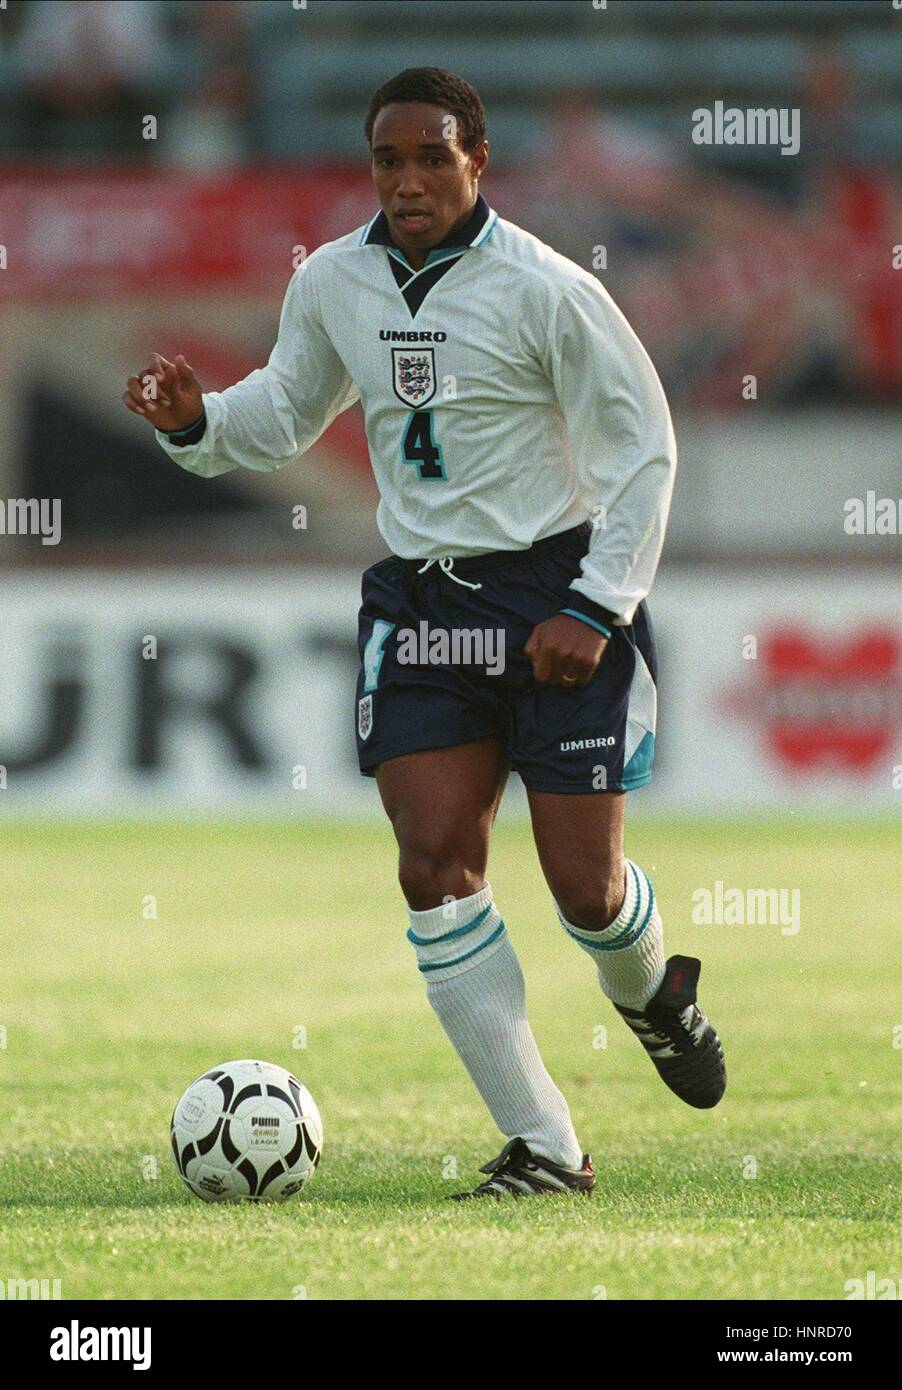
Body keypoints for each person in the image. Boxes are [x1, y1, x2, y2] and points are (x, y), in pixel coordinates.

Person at [122, 67, 725, 1201]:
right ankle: (546, 1144)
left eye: (429, 157)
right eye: (386, 160)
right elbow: (285, 407)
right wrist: (197, 419)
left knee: (584, 892)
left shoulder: (547, 288)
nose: (405, 180)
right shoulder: (334, 281)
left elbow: (641, 448)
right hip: (424, 605)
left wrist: (596, 604)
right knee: (431, 863)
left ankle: (653, 995)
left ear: (475, 161)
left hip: (551, 595)